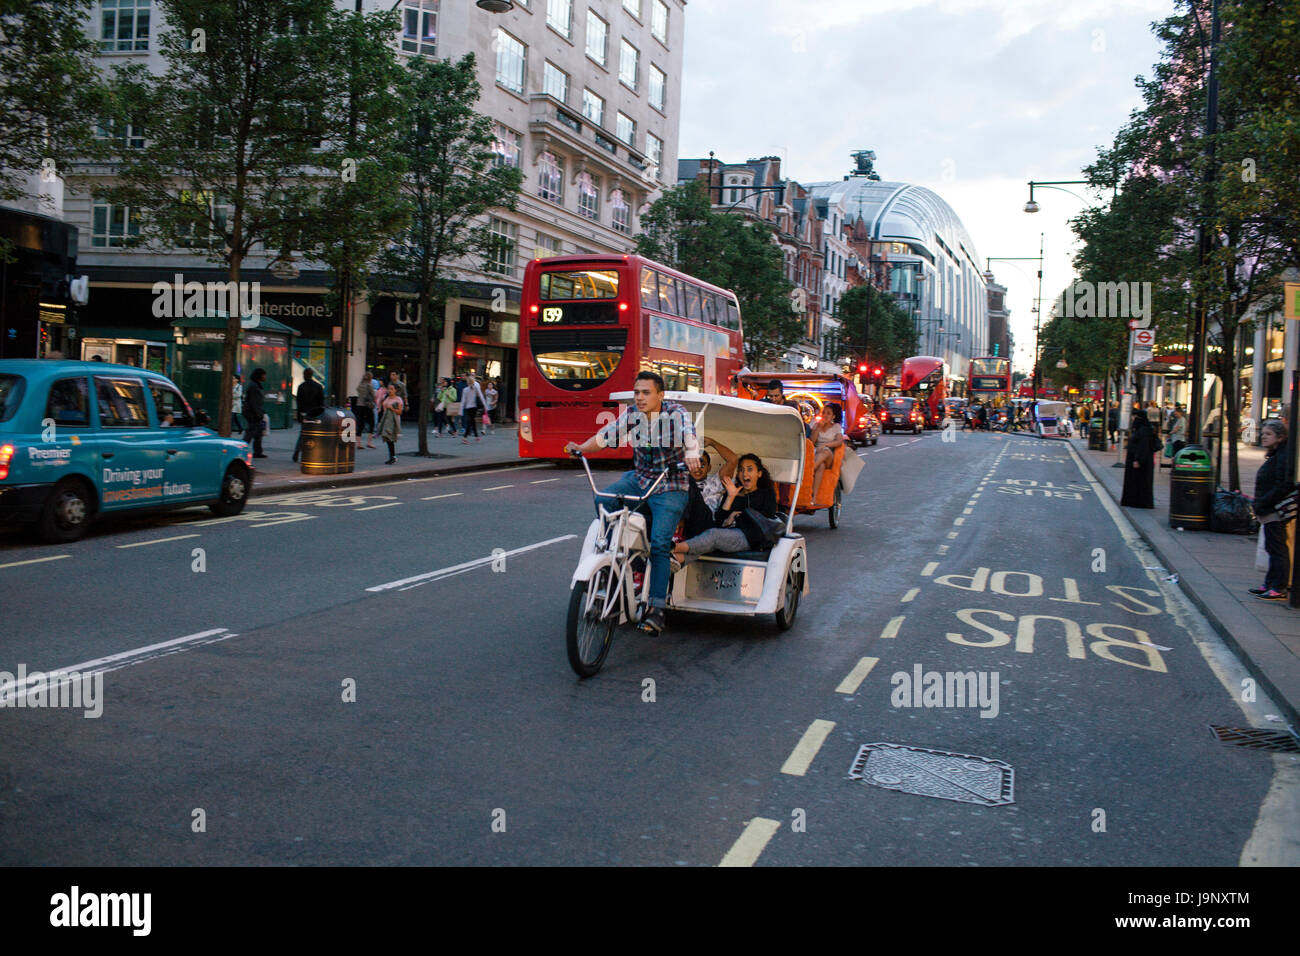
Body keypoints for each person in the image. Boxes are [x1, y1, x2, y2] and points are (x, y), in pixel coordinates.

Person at [565, 370, 701, 635]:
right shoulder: (631, 415)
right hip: (640, 480)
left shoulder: (676, 413)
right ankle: (623, 561)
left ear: (660, 395)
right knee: (603, 500)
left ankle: (657, 608)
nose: (639, 398)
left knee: (660, 544)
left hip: (670, 485)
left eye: (646, 393)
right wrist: (581, 447)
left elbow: (689, 434)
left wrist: (693, 453)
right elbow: (605, 437)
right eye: (637, 392)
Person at [672, 453, 779, 568]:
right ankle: (676, 560)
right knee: (710, 537)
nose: (745, 474)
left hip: (749, 536)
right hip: (725, 533)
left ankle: (673, 548)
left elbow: (767, 516)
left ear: (759, 473)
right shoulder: (733, 491)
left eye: (749, 469)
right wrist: (731, 497)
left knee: (714, 535)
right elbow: (719, 520)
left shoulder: (766, 493)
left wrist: (738, 517)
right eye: (741, 470)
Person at [1250, 420, 1295, 601]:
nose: (1263, 437)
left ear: (1280, 437)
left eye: (1268, 434)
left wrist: (1262, 503)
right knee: (1272, 547)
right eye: (1263, 433)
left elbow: (1282, 485)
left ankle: (1278, 587)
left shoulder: (1283, 456)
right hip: (1268, 508)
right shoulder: (1277, 454)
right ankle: (1269, 584)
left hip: (1274, 510)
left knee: (1277, 550)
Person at [1121, 407, 1157, 508]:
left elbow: (1143, 447)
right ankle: (1134, 500)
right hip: (1137, 459)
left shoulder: (1144, 431)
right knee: (1136, 481)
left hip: (1141, 461)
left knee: (1140, 481)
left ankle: (1139, 501)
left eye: (1135, 417)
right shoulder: (1142, 429)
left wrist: (1138, 460)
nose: (1133, 419)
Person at [291, 368, 326, 463]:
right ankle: (314, 453)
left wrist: (299, 415)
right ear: (312, 375)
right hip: (316, 413)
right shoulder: (318, 386)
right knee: (316, 433)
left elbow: (299, 402)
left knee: (303, 433)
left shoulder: (301, 386)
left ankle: (297, 452)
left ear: (304, 375)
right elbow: (321, 401)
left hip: (305, 413)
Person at [811, 402, 845, 495]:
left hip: (828, 454)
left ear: (833, 416)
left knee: (824, 452)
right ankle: (814, 497)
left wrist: (826, 445)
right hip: (816, 453)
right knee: (821, 466)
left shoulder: (836, 427)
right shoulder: (816, 424)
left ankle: (810, 470)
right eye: (824, 413)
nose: (825, 415)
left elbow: (839, 441)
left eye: (828, 413)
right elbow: (812, 442)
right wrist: (819, 428)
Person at [242, 368, 267, 458]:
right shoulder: (254, 386)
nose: (265, 376)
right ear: (259, 376)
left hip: (254, 412)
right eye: (264, 375)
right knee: (251, 432)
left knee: (257, 432)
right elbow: (254, 402)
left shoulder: (255, 385)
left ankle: (258, 451)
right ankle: (242, 449)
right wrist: (258, 414)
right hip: (253, 413)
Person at [378, 381, 404, 463]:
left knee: (390, 439)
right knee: (388, 439)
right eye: (389, 389)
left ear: (395, 390)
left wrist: (392, 408)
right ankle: (392, 456)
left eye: (392, 389)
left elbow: (400, 412)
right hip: (386, 421)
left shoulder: (398, 399)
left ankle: (393, 457)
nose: (389, 390)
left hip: (394, 421)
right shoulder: (387, 398)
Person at [460, 371, 487, 443]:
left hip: (468, 407)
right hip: (474, 407)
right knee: (471, 422)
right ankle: (465, 438)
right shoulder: (475, 387)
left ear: (467, 382)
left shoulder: (465, 390)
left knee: (471, 421)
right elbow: (481, 396)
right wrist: (485, 405)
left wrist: (461, 410)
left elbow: (463, 401)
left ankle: (476, 436)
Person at [356, 371, 377, 449]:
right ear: (370, 378)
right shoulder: (369, 385)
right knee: (371, 423)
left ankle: (358, 443)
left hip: (359, 406)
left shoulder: (360, 385)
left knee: (360, 424)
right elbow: (373, 396)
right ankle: (369, 442)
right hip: (367, 407)